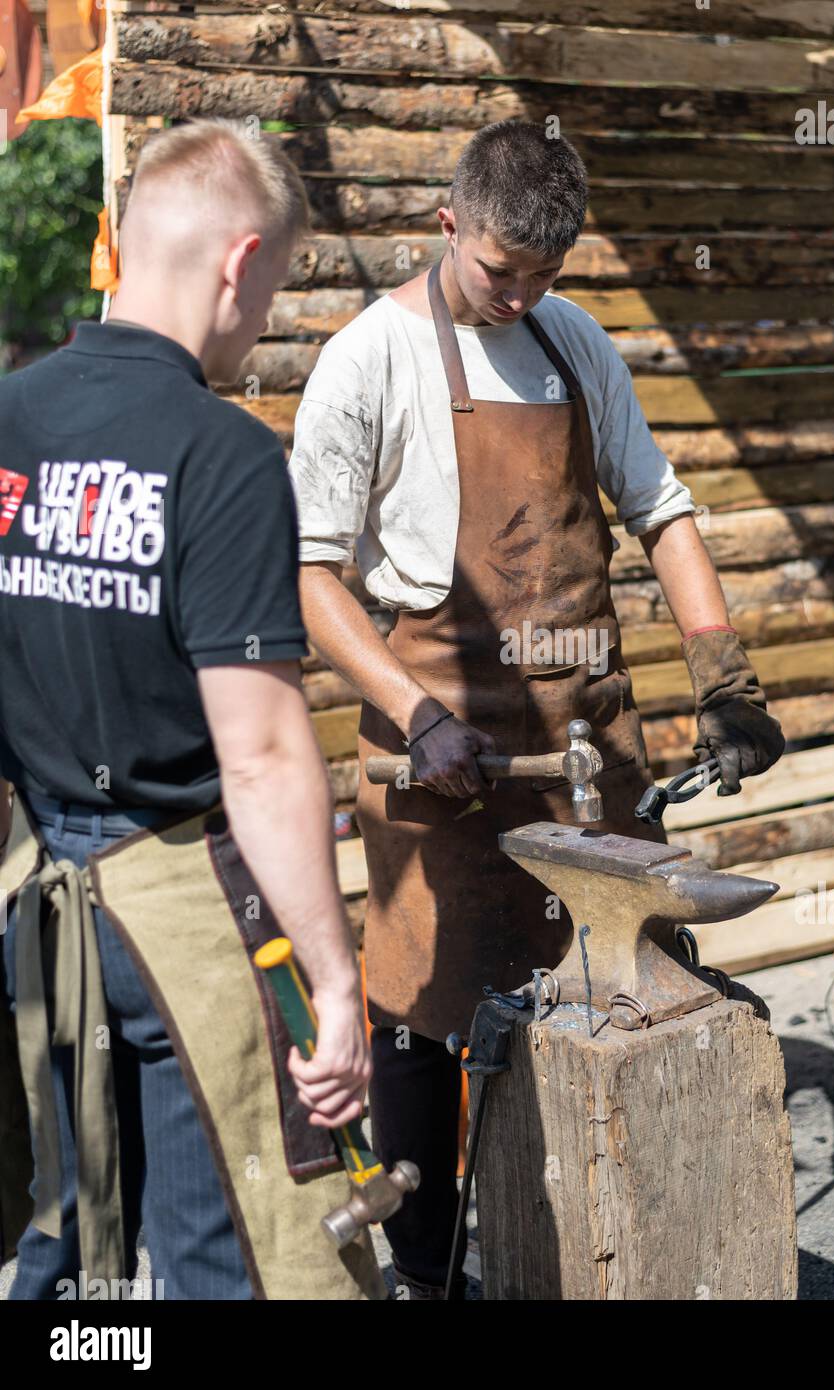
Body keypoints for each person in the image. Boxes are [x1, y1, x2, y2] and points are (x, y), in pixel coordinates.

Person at [288, 119, 786, 1298]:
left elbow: (662, 513)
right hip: (437, 750)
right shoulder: (369, 359)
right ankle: (421, 1266)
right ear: (447, 222)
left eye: (543, 274)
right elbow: (308, 578)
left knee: (613, 1002)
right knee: (420, 1016)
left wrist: (724, 676)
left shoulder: (573, 346)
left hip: (582, 756)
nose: (518, 295)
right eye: (497, 269)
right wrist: (416, 717)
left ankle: (597, 1239)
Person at [0, 119, 376, 1300]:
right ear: (238, 260)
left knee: (66, 1241)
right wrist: (336, 983)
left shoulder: (8, 420)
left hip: (33, 902)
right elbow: (262, 757)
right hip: (182, 917)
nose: (260, 317)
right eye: (271, 286)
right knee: (230, 1248)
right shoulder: (220, 456)